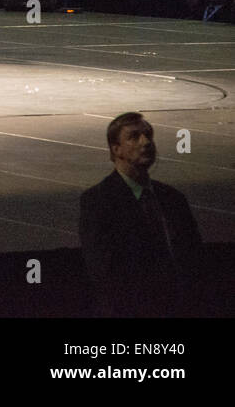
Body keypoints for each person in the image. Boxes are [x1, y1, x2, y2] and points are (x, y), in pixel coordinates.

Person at [79, 112, 202, 317]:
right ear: (116, 149)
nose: (146, 142)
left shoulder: (173, 198)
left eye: (148, 135)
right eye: (134, 137)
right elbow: (102, 269)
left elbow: (193, 255)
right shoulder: (98, 201)